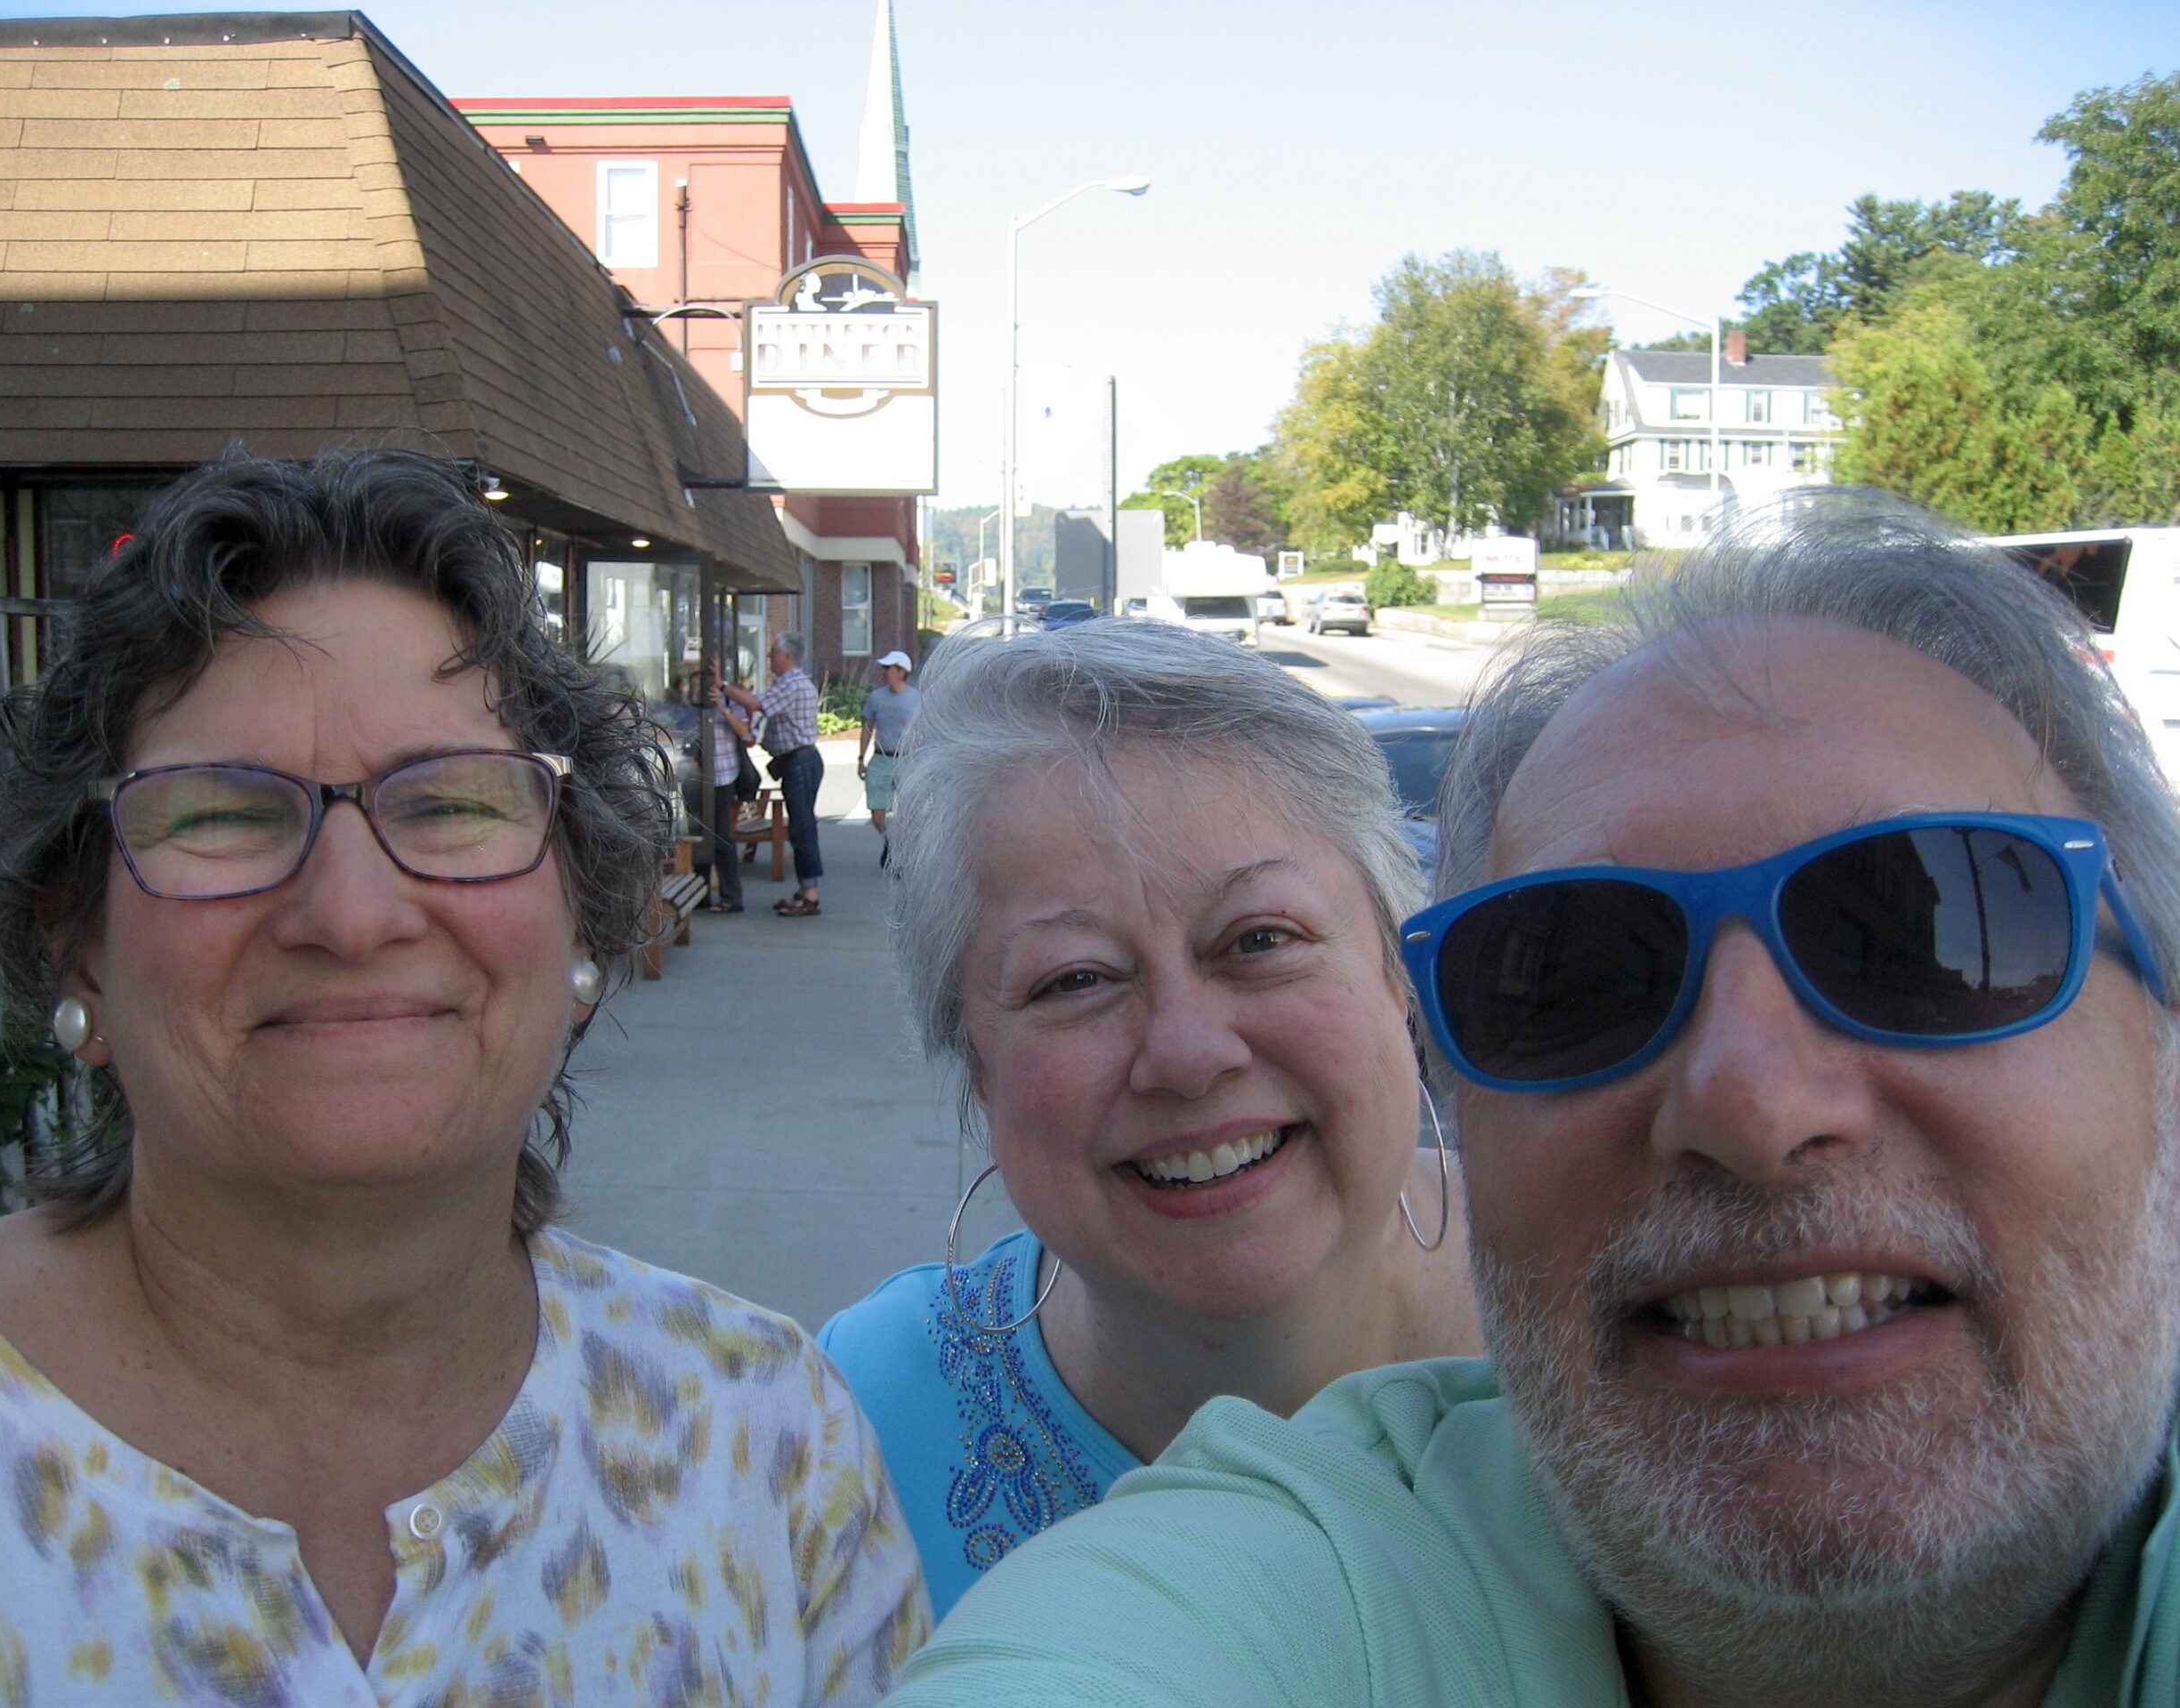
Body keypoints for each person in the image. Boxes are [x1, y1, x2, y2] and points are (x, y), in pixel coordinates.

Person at [878, 491, 2180, 1707]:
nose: (1749, 1098)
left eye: (1931, 935)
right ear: (972, 1068)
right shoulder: (852, 1440)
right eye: (1586, 976)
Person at [0, 452, 927, 1705]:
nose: (351, 915)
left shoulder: (766, 1440)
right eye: (223, 814)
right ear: (78, 930)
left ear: (578, 914)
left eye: (451, 803)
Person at [820, 617, 1482, 1616]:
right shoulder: (839, 1431)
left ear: (1396, 968)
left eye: (1260, 938)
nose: (1187, 1052)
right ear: (979, 1070)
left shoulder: (1616, 1315)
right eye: (1074, 978)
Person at [718, 632, 823, 916]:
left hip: (800, 761)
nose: (769, 657)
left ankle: (810, 893)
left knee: (802, 827)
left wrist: (724, 688)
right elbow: (759, 716)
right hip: (797, 761)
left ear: (786, 656)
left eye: (773, 652)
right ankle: (805, 890)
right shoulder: (790, 684)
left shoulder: (791, 684)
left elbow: (756, 704)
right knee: (803, 825)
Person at [699, 667, 755, 914]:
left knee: (721, 835)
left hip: (723, 774)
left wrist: (723, 709)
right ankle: (700, 895)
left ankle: (732, 896)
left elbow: (747, 734)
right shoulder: (693, 705)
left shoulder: (732, 701)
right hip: (697, 777)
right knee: (698, 834)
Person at [858, 649, 919, 866]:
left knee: (908, 810)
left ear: (902, 671)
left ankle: (902, 850)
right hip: (882, 757)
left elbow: (926, 730)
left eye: (888, 668)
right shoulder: (877, 697)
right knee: (877, 810)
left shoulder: (916, 698)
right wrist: (861, 758)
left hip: (908, 759)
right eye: (884, 668)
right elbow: (867, 727)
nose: (884, 672)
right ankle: (890, 842)